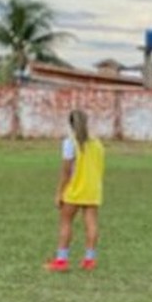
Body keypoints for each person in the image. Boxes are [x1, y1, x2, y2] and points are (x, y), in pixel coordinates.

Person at [45, 108, 105, 271]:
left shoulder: (70, 142)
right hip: (92, 189)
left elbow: (66, 171)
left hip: (75, 189)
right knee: (91, 224)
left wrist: (59, 192)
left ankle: (61, 260)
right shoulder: (97, 143)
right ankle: (89, 260)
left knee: (66, 222)